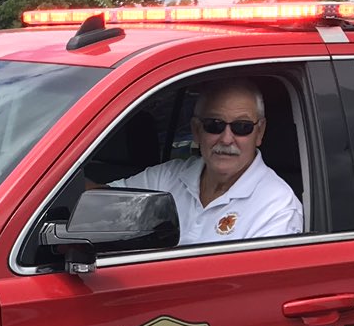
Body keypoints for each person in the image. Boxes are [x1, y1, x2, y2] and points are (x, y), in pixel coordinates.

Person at [112, 81, 303, 245]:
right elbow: (102, 201)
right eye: (214, 125)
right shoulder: (168, 177)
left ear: (259, 132)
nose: (227, 139)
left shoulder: (277, 207)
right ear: (196, 130)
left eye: (242, 127)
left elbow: (256, 286)